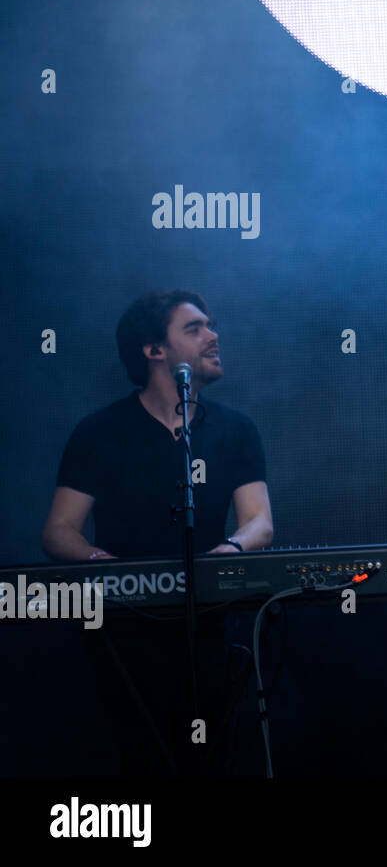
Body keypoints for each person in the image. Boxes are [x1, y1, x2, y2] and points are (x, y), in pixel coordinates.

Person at [41, 290, 273, 776]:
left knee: (219, 752)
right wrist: (103, 567)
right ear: (154, 351)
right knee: (139, 755)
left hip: (211, 625)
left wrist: (226, 552)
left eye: (211, 326)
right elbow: (60, 531)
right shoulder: (100, 432)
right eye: (195, 328)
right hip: (124, 631)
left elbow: (259, 523)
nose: (213, 336)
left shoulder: (236, 430)